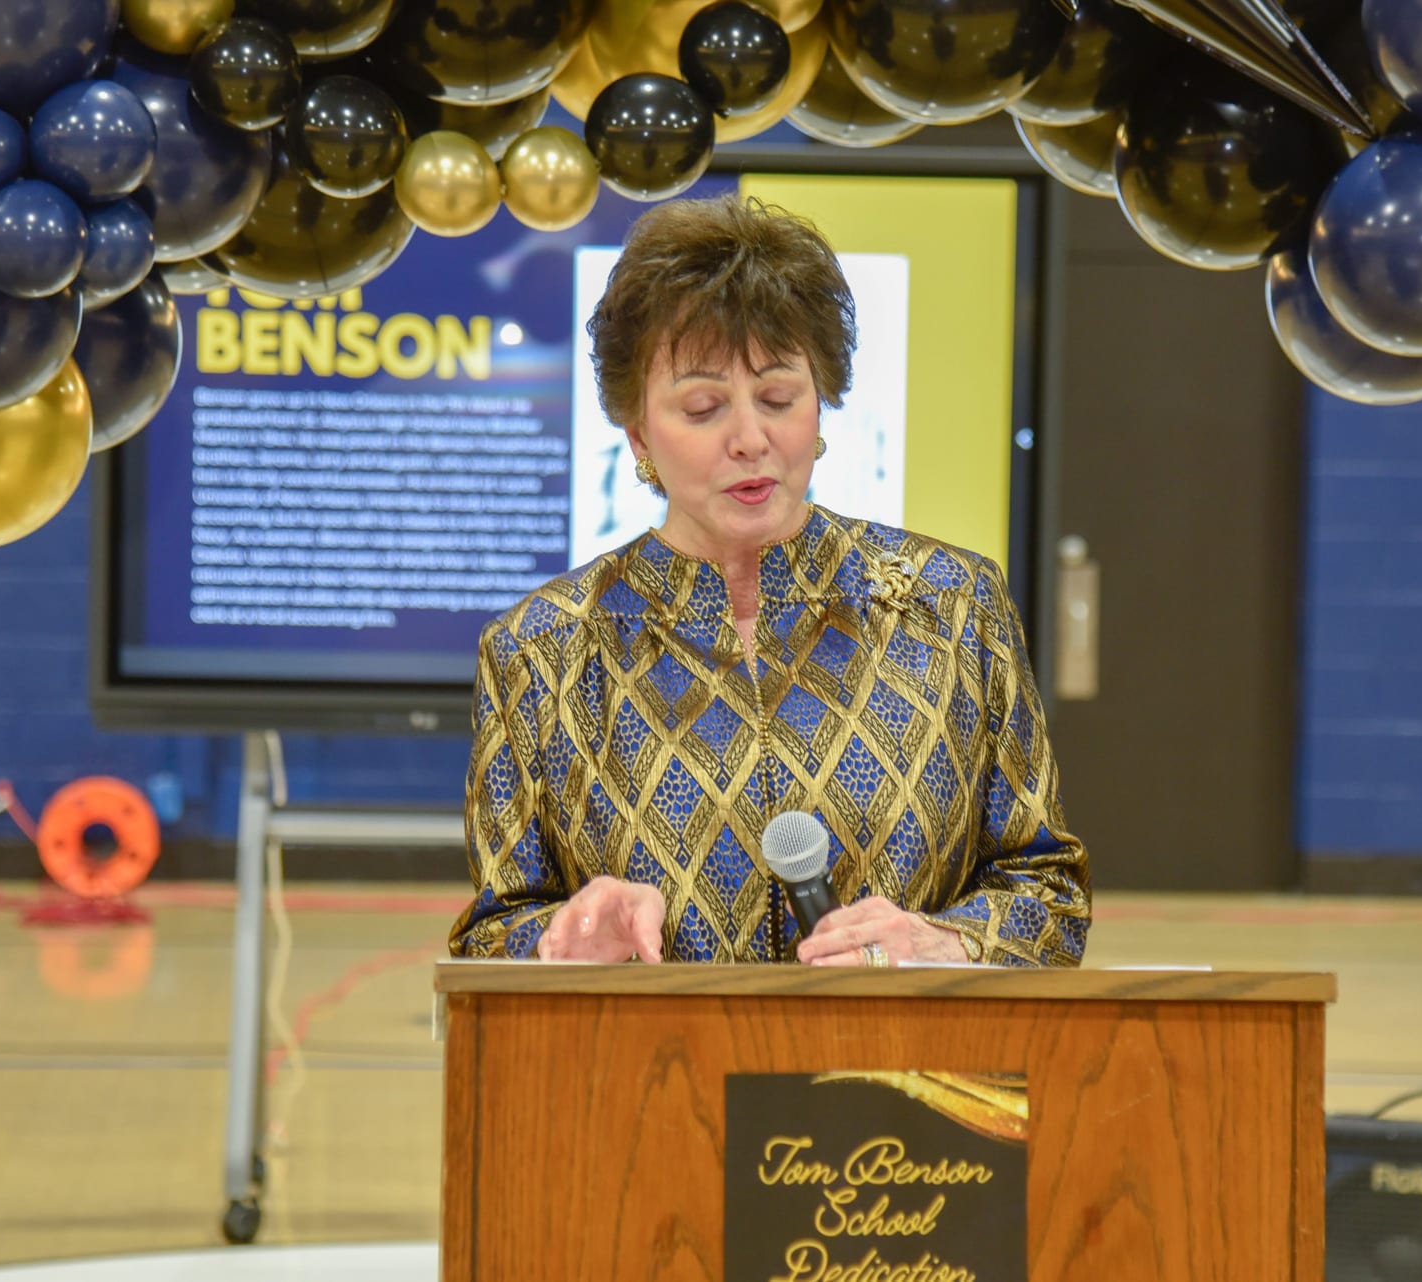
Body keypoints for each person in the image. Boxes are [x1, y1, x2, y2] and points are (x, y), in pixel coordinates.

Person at [450, 194, 1088, 967]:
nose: (750, 439)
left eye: (779, 398)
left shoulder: (951, 606)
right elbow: (490, 936)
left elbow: (1048, 895)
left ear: (820, 408)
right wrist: (564, 940)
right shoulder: (543, 650)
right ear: (638, 432)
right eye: (703, 406)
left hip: (914, 1073)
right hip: (652, 1075)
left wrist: (940, 943)